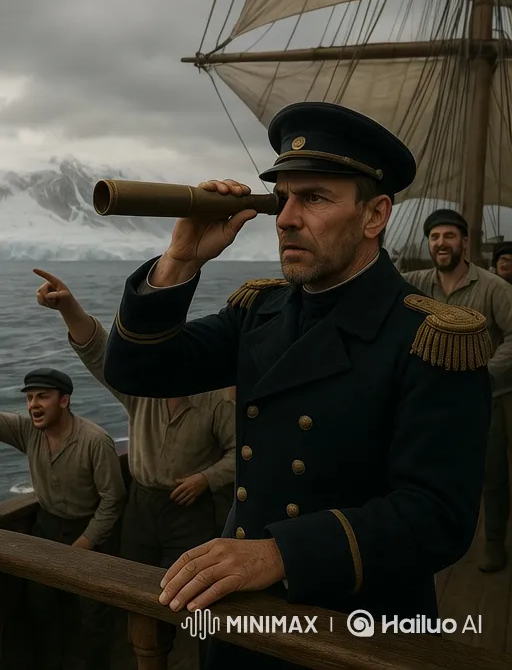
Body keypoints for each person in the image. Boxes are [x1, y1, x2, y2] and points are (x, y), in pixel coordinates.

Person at [102, 102, 492, 670]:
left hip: (358, 629)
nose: (285, 217)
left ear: (374, 215)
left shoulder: (429, 338)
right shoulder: (259, 311)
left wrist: (281, 552)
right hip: (242, 615)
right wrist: (180, 257)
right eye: (281, 198)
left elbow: (438, 517)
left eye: (313, 198)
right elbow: (136, 370)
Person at [33, 268, 236, 670]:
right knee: (136, 595)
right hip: (142, 506)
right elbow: (100, 354)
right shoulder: (142, 389)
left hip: (190, 512)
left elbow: (239, 453)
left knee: (196, 603)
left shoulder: (216, 402)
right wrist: (68, 307)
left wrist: (204, 479)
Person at [401, 209, 512, 573]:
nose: (441, 243)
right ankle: (428, 537)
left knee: (490, 473)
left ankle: (493, 542)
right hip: (427, 402)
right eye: (434, 237)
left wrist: (485, 374)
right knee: (421, 468)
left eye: (449, 236)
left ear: (464, 243)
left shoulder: (494, 288)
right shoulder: (415, 284)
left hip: (485, 400)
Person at [0, 368, 126, 670]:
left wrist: (85, 542)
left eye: (43, 396)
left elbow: (113, 499)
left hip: (89, 530)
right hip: (46, 526)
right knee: (42, 606)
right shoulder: (29, 430)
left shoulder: (95, 441)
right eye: (30, 398)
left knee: (93, 614)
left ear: (65, 400)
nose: (34, 405)